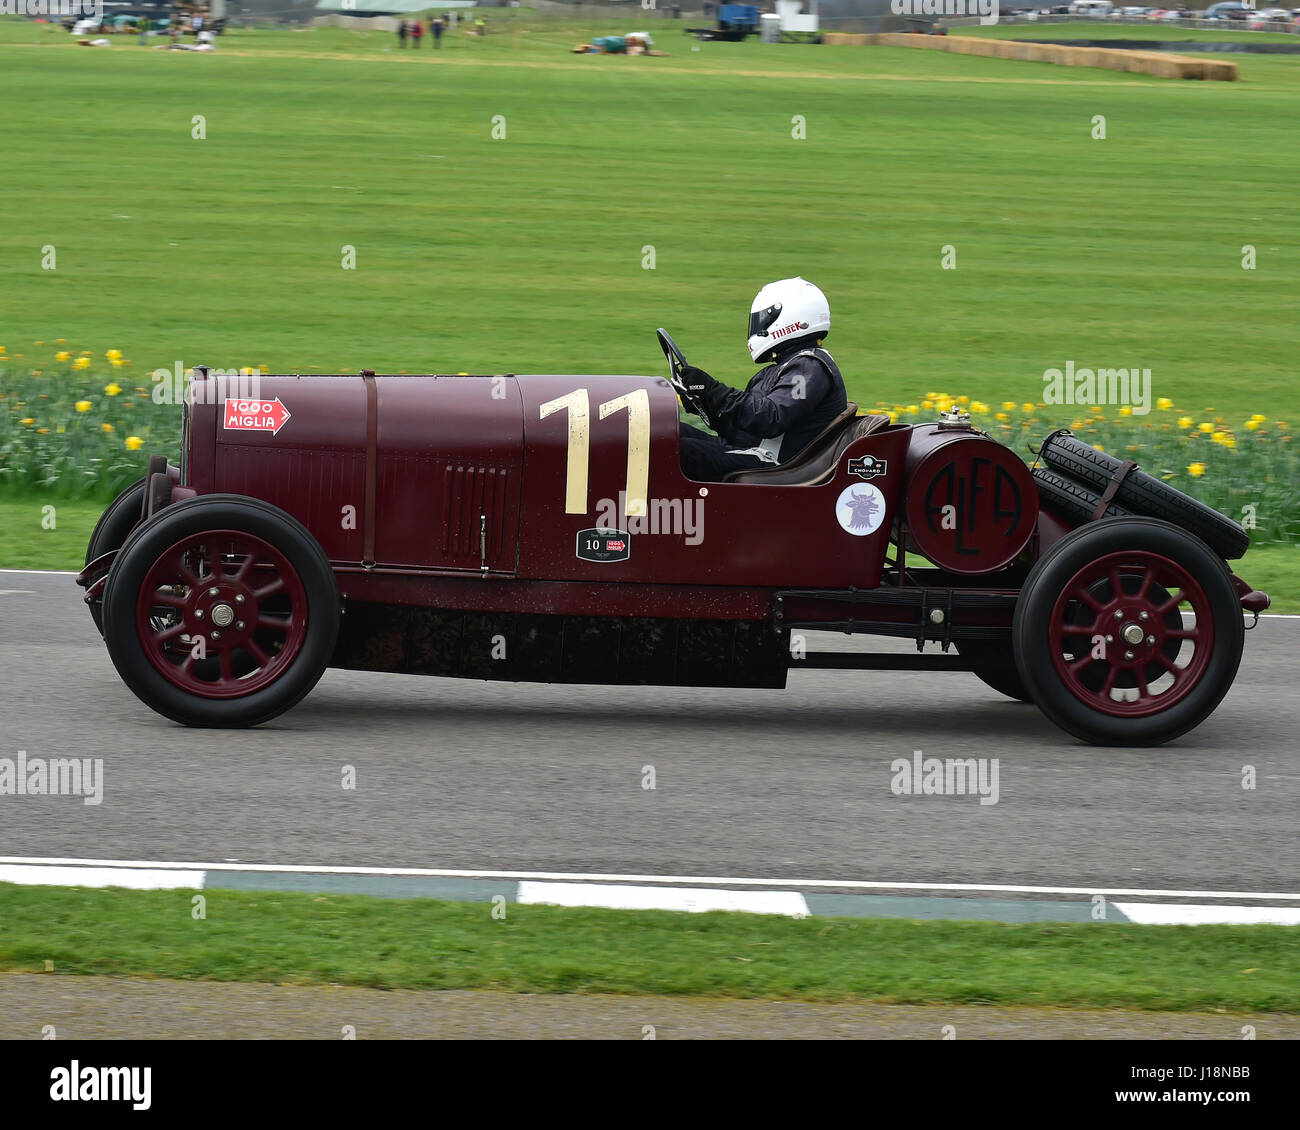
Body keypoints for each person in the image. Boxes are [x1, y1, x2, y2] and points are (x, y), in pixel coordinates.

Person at [675, 277, 847, 483]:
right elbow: (744, 430)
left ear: (792, 318)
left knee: (680, 452)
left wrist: (716, 392)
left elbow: (770, 418)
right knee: (666, 435)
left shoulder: (809, 368)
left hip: (775, 463)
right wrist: (707, 405)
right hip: (753, 450)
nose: (757, 327)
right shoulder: (782, 368)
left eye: (762, 319)